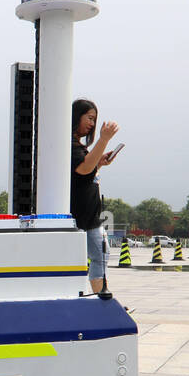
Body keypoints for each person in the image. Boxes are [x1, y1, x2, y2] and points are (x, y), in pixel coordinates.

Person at [71, 99, 120, 294]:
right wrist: (104, 139)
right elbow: (83, 168)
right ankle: (99, 298)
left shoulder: (79, 147)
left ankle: (101, 296)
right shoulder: (70, 145)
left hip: (90, 218)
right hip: (80, 219)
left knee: (101, 257)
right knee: (96, 258)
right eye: (89, 118)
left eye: (94, 119)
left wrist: (98, 163)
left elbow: (86, 170)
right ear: (76, 116)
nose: (92, 123)